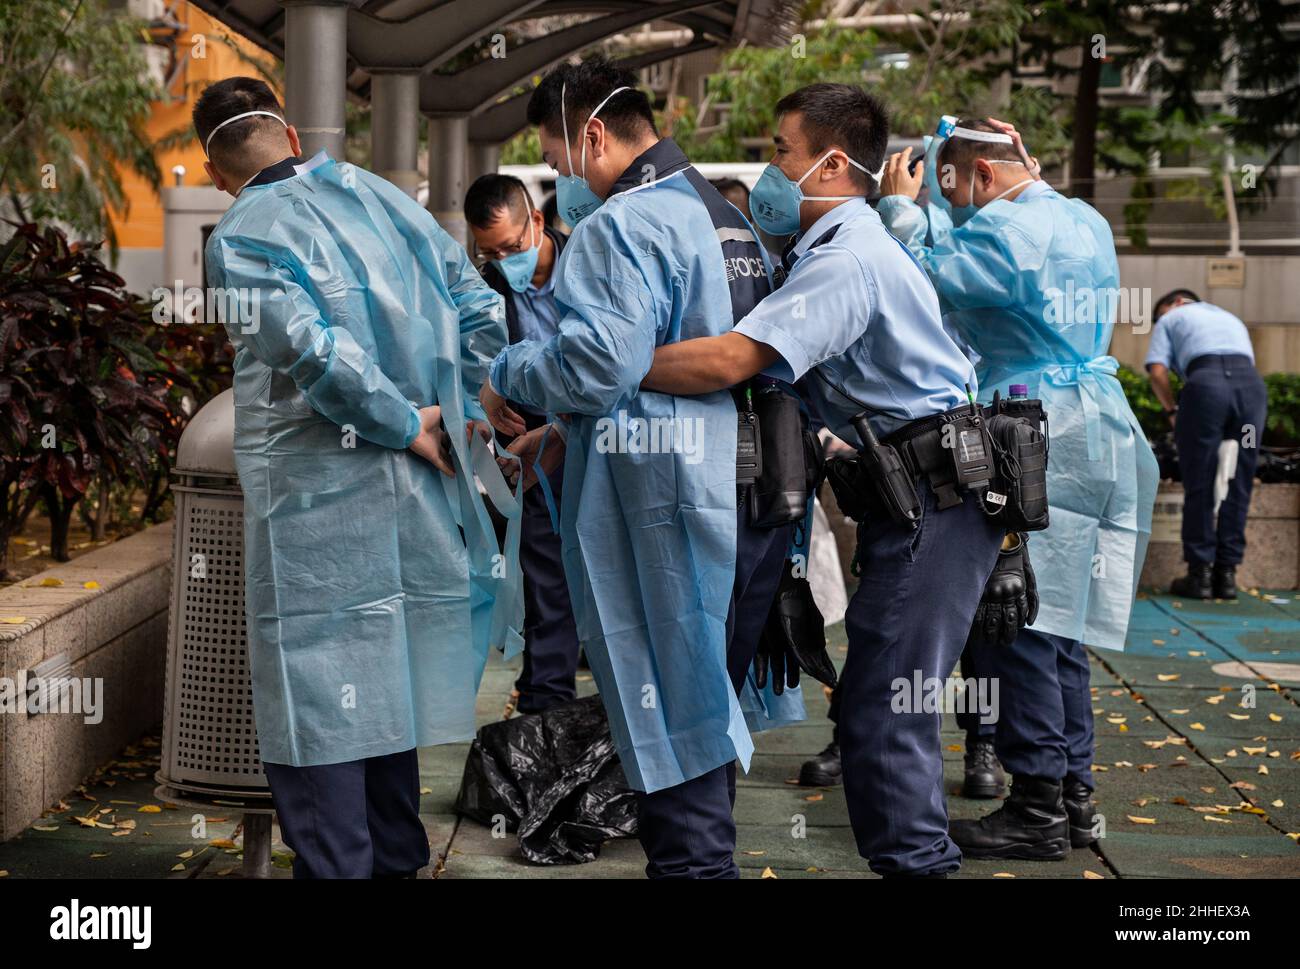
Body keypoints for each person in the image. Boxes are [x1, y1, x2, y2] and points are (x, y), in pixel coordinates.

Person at [642, 83, 1006, 878]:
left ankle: (920, 864)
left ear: (834, 165)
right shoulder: (836, 249)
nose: (771, 169)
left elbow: (737, 357)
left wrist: (608, 367)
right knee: (882, 696)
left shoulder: (845, 261)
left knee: (883, 707)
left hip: (934, 500)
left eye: (782, 151)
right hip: (920, 494)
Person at [478, 56, 801, 879]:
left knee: (674, 705)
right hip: (749, 486)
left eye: (555, 154)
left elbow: (595, 367)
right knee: (706, 701)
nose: (559, 175)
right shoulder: (725, 214)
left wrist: (509, 374)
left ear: (591, 134)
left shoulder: (624, 223)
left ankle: (695, 869)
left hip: (670, 499)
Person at [196, 77, 517, 878]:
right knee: (385, 702)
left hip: (313, 514)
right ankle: (397, 863)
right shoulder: (382, 197)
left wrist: (403, 425)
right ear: (295, 136)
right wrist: (455, 413)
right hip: (414, 502)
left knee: (319, 710)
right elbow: (480, 306)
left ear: (214, 171)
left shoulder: (239, 236)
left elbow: (313, 354)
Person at [878, 118, 1159, 859]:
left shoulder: (1005, 232)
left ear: (980, 172)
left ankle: (1035, 804)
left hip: (1032, 429)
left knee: (1021, 621)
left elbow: (921, 273)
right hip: (1097, 425)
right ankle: (1072, 793)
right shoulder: (1082, 217)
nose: (954, 198)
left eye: (952, 181)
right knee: (1062, 624)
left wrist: (902, 211)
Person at [464, 174, 581, 714]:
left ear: (537, 221)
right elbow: (471, 358)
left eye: (511, 247)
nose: (503, 259)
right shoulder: (487, 286)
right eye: (489, 251)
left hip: (599, 438)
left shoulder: (590, 265)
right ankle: (546, 706)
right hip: (529, 447)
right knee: (545, 578)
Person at [1146, 291, 1267, 599]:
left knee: (1200, 477)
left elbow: (1157, 371)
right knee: (1241, 477)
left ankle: (1200, 574)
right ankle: (1227, 574)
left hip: (1206, 390)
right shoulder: (1230, 317)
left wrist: (1172, 410)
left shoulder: (1170, 318)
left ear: (1173, 304)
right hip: (1251, 395)